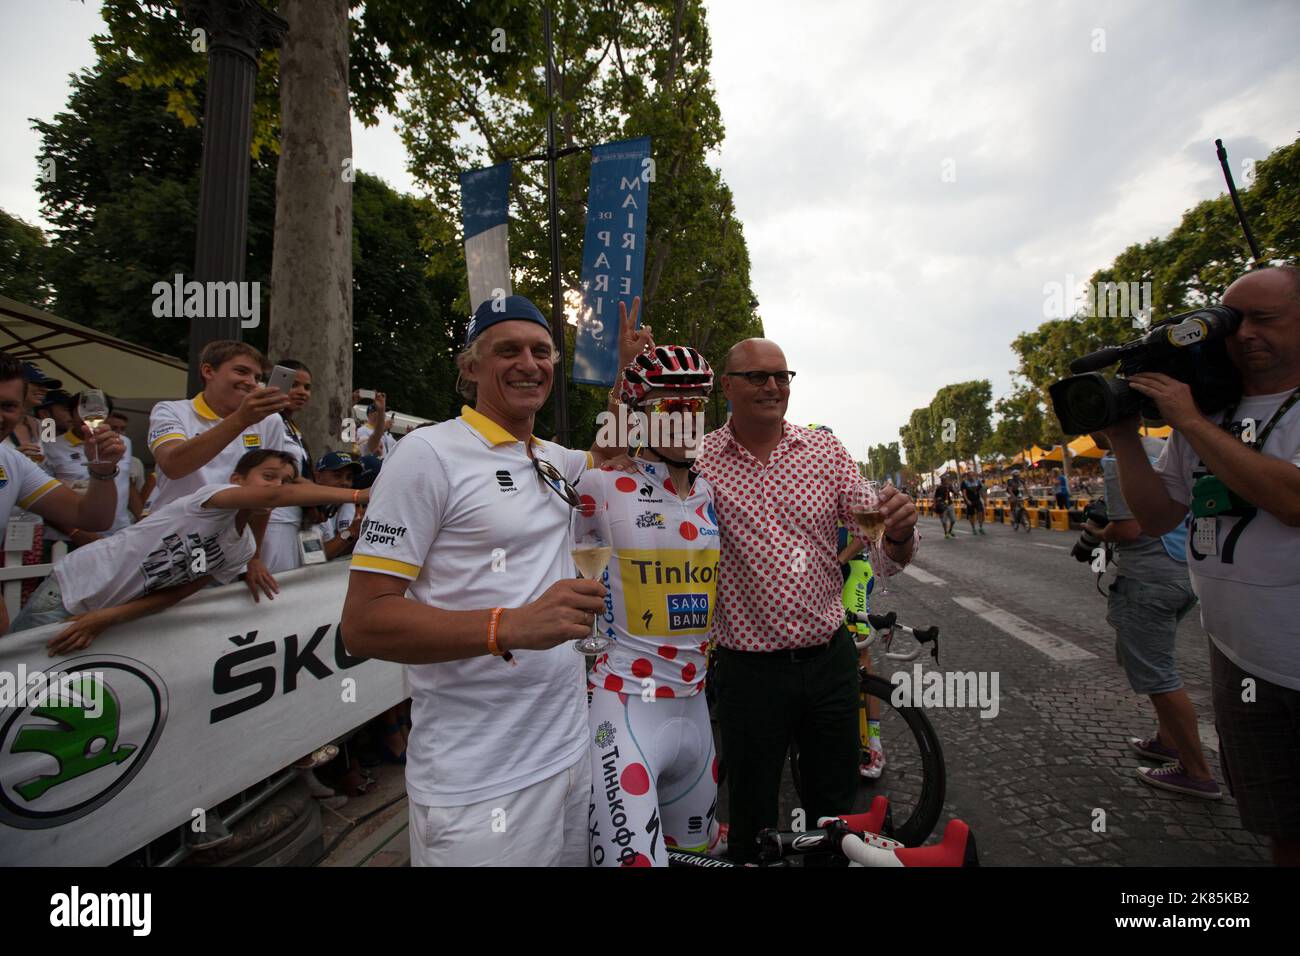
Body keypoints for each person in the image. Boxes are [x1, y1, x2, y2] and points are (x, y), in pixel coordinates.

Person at [340, 294, 649, 866]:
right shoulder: (427, 455)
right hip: (478, 783)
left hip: (568, 754)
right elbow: (362, 625)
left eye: (541, 351)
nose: (529, 363)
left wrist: (627, 378)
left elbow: (607, 455)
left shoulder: (552, 458)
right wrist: (509, 625)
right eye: (507, 350)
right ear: (470, 367)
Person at [1101, 266, 1300, 865]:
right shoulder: (1208, 413)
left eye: (1265, 318)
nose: (1244, 335)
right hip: (1241, 658)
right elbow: (1160, 516)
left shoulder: (1195, 417)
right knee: (1281, 827)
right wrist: (1125, 440)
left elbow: (1292, 501)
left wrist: (1185, 420)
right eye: (1234, 322)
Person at [695, 338, 919, 864]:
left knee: (836, 816)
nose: (772, 386)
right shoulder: (698, 460)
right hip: (748, 674)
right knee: (751, 814)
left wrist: (900, 532)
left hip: (829, 665)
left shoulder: (824, 451)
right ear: (726, 387)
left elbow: (880, 546)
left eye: (782, 375)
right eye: (756, 376)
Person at [582, 345, 721, 866]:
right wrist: (618, 393)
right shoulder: (602, 485)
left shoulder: (712, 493)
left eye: (695, 408)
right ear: (639, 418)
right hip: (626, 709)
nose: (686, 421)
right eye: (668, 409)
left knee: (699, 856)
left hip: (697, 712)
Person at [9, 449, 365, 642]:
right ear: (237, 480)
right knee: (12, 684)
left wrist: (107, 618)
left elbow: (176, 593)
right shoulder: (208, 499)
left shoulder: (240, 549)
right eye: (268, 476)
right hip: (70, 592)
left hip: (109, 618)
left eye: (287, 480)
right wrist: (357, 493)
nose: (276, 486)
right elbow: (277, 496)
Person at [1087, 431, 1218, 798]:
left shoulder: (1119, 459)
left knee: (1159, 676)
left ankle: (1197, 771)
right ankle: (1165, 741)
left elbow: (1128, 528)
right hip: (1184, 574)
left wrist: (1099, 533)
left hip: (1148, 580)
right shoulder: (1166, 449)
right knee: (1162, 661)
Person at [146, 340, 293, 601]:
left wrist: (254, 556)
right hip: (172, 547)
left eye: (257, 377)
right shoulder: (172, 411)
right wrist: (241, 420)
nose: (251, 382)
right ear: (208, 371)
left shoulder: (269, 421)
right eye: (241, 371)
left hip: (228, 554)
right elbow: (173, 465)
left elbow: (266, 497)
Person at [0, 352, 124, 634]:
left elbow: (92, 517)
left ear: (20, 409)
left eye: (7, 406)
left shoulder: (14, 459)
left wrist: (102, 471)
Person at [41, 393, 136, 537]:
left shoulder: (122, 442)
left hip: (118, 534)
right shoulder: (50, 446)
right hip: (68, 539)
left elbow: (126, 482)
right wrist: (75, 533)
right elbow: (42, 497)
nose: (90, 415)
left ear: (108, 416)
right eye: (83, 409)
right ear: (72, 414)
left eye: (97, 410)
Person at [261, 360, 316, 574]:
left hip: (294, 518)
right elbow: (278, 472)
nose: (302, 392)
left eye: (307, 387)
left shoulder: (291, 426)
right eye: (294, 385)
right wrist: (319, 494)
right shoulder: (268, 420)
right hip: (274, 520)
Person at [107, 411, 146, 522]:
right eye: (114, 428)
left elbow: (139, 495)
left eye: (123, 429)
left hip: (125, 523)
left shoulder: (135, 462)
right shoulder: (91, 456)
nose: (119, 433)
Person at [356, 394, 397, 459]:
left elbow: (397, 447)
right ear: (370, 414)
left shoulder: (387, 434)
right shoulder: (362, 430)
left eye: (383, 412)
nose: (384, 415)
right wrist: (383, 429)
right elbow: (367, 449)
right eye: (380, 411)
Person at [961, 469, 986, 534]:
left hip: (977, 500)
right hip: (970, 500)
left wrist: (984, 499)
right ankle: (973, 528)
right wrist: (967, 500)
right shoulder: (964, 483)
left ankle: (981, 527)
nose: (971, 477)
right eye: (970, 476)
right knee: (971, 515)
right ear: (967, 476)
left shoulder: (978, 482)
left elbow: (981, 491)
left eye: (973, 475)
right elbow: (964, 493)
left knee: (980, 513)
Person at [934, 472, 957, 538]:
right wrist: (935, 505)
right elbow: (935, 497)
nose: (945, 481)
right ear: (942, 481)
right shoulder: (939, 488)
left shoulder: (949, 486)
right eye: (944, 480)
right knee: (944, 521)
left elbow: (955, 493)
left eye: (946, 479)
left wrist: (953, 488)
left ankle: (950, 531)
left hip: (949, 504)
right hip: (942, 506)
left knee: (953, 520)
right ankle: (946, 533)